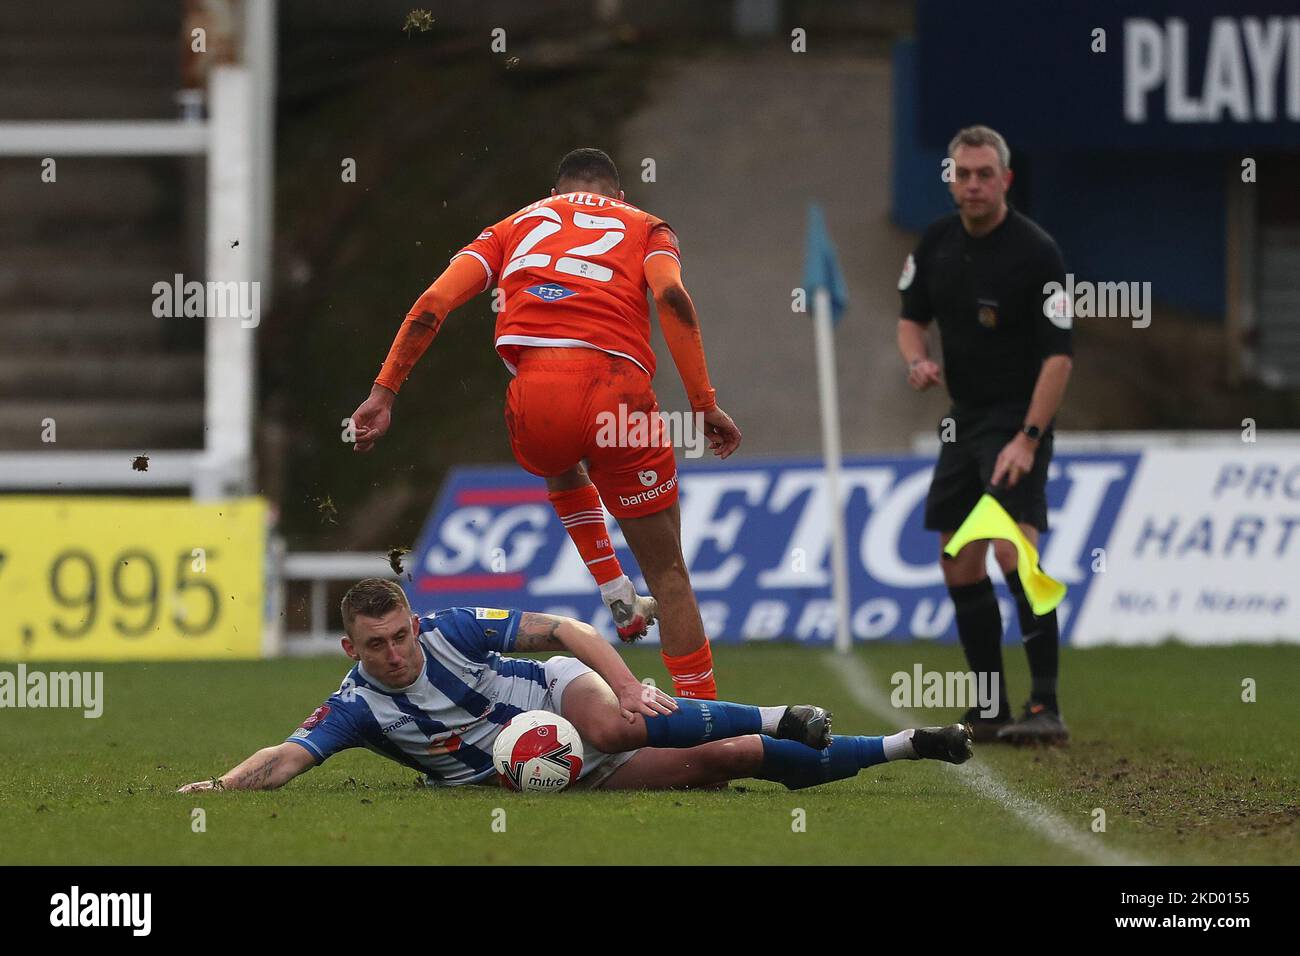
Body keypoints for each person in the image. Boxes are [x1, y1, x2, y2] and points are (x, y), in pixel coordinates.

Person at [348, 148, 742, 699]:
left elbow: (434, 300)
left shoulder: (512, 226)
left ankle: (613, 590)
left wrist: (383, 392)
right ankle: (706, 725)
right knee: (670, 574)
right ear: (619, 197)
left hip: (537, 391)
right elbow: (672, 296)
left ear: (554, 195)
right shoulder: (646, 227)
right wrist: (703, 403)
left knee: (559, 459)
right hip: (617, 394)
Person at [177, 578, 972, 794]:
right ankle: (910, 744)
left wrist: (627, 685)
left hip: (557, 698)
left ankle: (784, 714)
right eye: (376, 645)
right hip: (543, 770)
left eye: (401, 634)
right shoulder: (357, 706)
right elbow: (288, 755)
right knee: (727, 759)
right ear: (351, 646)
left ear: (414, 621)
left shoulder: (453, 627)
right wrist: (220, 783)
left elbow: (565, 632)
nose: (395, 653)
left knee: (626, 724)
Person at [896, 125, 1073, 744]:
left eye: (983, 174)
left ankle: (1045, 706)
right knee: (958, 562)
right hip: (963, 419)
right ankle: (991, 706)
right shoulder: (938, 242)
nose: (972, 184)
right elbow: (911, 319)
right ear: (950, 179)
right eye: (961, 174)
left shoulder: (1037, 251)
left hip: (1016, 419)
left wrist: (1028, 437)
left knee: (1012, 554)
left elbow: (1059, 357)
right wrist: (916, 360)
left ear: (1006, 180)